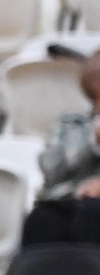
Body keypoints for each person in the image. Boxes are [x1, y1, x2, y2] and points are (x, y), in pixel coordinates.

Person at [23, 50, 100, 245]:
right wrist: (92, 139)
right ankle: (26, 273)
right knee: (43, 218)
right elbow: (51, 172)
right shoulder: (70, 126)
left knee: (92, 213)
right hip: (73, 201)